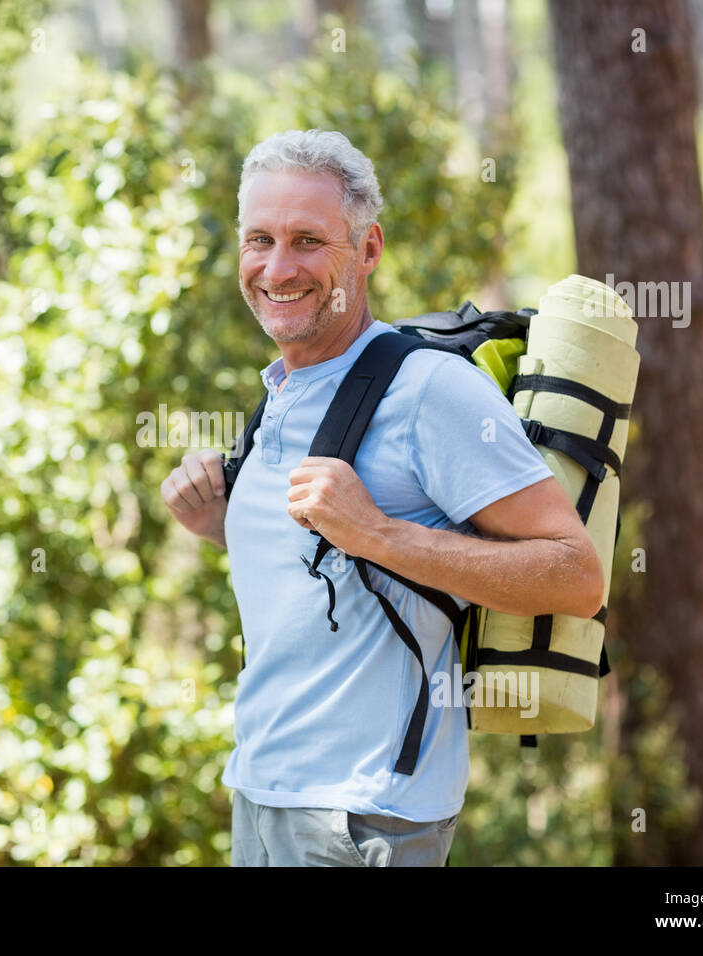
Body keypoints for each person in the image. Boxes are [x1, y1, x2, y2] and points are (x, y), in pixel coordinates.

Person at [160, 129, 604, 867]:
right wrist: (221, 526)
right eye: (259, 239)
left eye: (308, 241)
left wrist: (379, 533)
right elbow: (328, 572)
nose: (277, 267)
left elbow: (575, 576)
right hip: (261, 791)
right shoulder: (282, 388)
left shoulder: (430, 390)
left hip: (365, 818)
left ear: (367, 250)